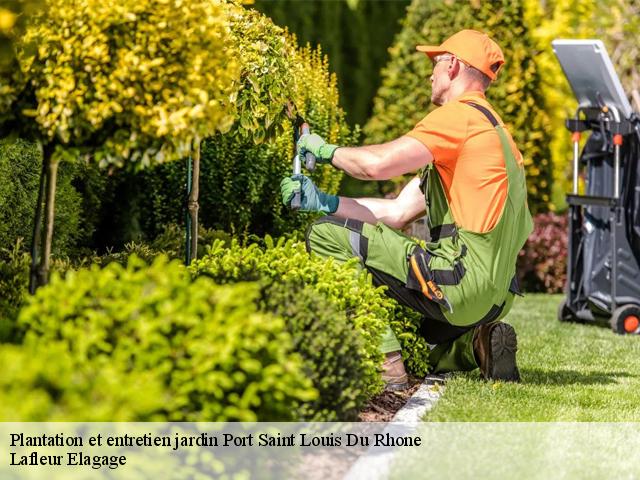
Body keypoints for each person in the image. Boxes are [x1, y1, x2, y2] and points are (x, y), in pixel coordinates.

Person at [280, 29, 533, 389]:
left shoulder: (458, 117)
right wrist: (323, 201)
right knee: (413, 330)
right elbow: (397, 212)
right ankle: (473, 346)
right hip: (495, 297)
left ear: (454, 66)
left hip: (460, 282)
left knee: (324, 235)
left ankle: (385, 364)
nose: (430, 73)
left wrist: (325, 151)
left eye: (436, 63)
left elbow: (376, 166)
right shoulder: (495, 134)